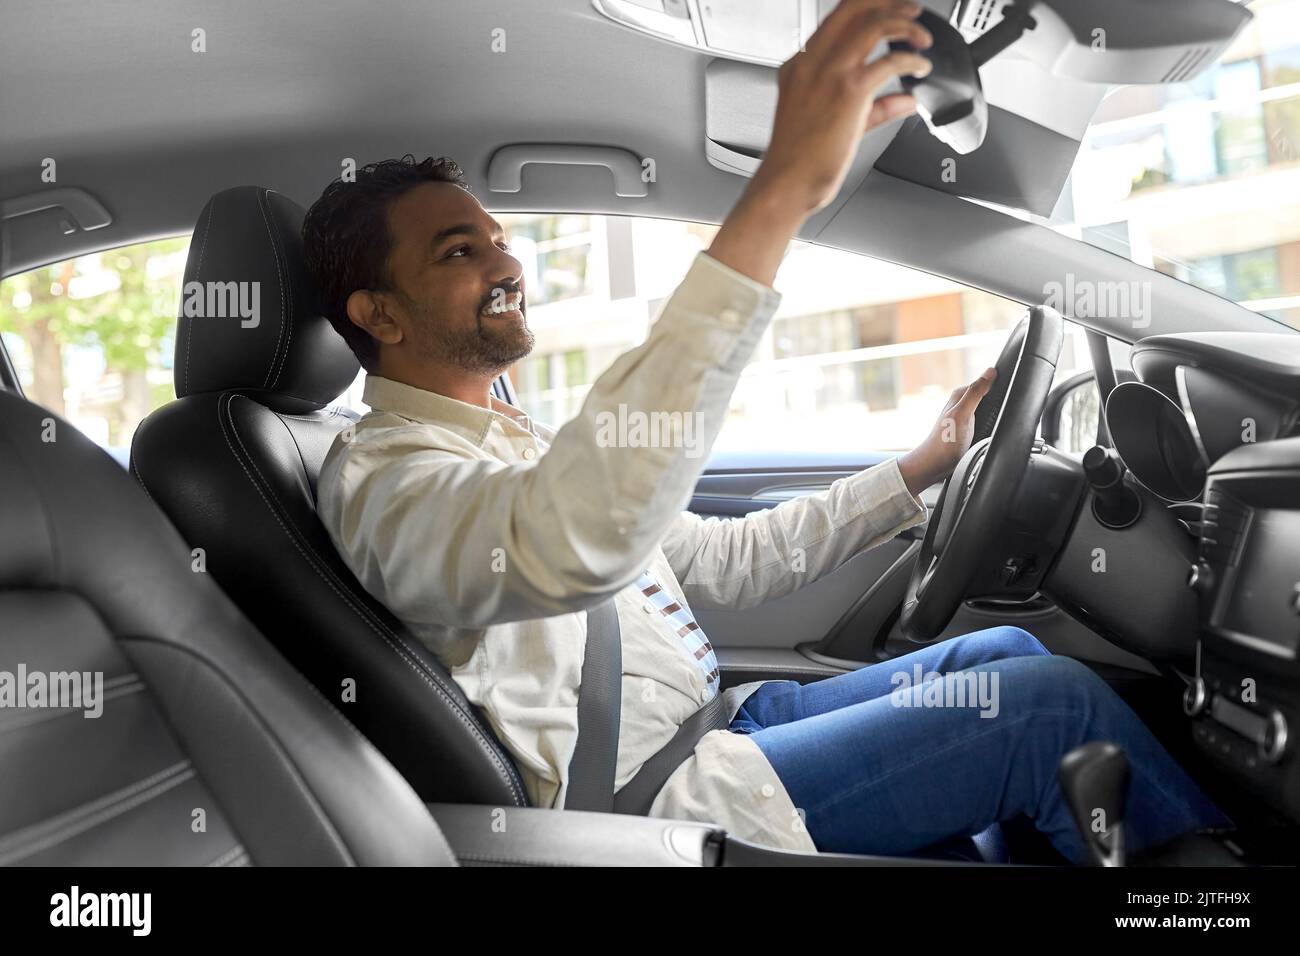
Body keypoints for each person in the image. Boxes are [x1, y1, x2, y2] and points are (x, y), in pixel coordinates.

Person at [305, 0, 1230, 861]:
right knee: (1044, 709)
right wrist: (780, 190)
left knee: (1007, 658)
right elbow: (566, 539)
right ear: (378, 314)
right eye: (459, 252)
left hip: (726, 725)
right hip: (666, 806)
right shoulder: (385, 481)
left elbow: (723, 562)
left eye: (497, 236)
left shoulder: (508, 440)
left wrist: (920, 467)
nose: (505, 259)